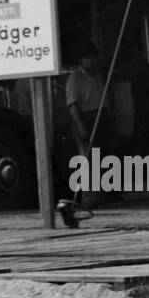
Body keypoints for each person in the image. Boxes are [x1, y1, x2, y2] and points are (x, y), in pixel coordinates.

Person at [65, 43, 108, 207]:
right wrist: (82, 127)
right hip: (84, 120)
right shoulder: (75, 78)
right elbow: (73, 105)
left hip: (99, 119)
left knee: (101, 160)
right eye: (88, 58)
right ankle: (88, 199)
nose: (92, 61)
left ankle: (100, 197)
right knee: (87, 161)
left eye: (93, 57)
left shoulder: (97, 76)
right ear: (81, 59)